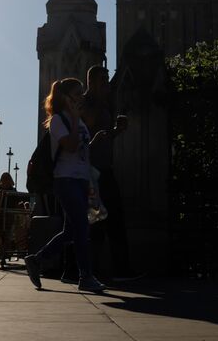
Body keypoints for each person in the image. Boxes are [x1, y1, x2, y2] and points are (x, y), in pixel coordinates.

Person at [24, 77, 104, 293]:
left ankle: (36, 260)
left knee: (71, 230)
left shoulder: (79, 121)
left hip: (81, 180)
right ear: (65, 97)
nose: (81, 97)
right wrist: (77, 119)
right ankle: (85, 276)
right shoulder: (59, 120)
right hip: (65, 180)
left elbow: (81, 150)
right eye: (77, 94)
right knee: (81, 227)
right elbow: (69, 146)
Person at [80, 65, 136, 280]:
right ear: (91, 82)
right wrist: (103, 102)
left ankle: (120, 270)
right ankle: (93, 271)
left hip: (105, 168)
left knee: (115, 217)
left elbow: (103, 135)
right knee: (95, 220)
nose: (106, 83)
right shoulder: (86, 102)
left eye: (106, 79)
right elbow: (91, 125)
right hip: (90, 170)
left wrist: (117, 130)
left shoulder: (106, 102)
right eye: (102, 80)